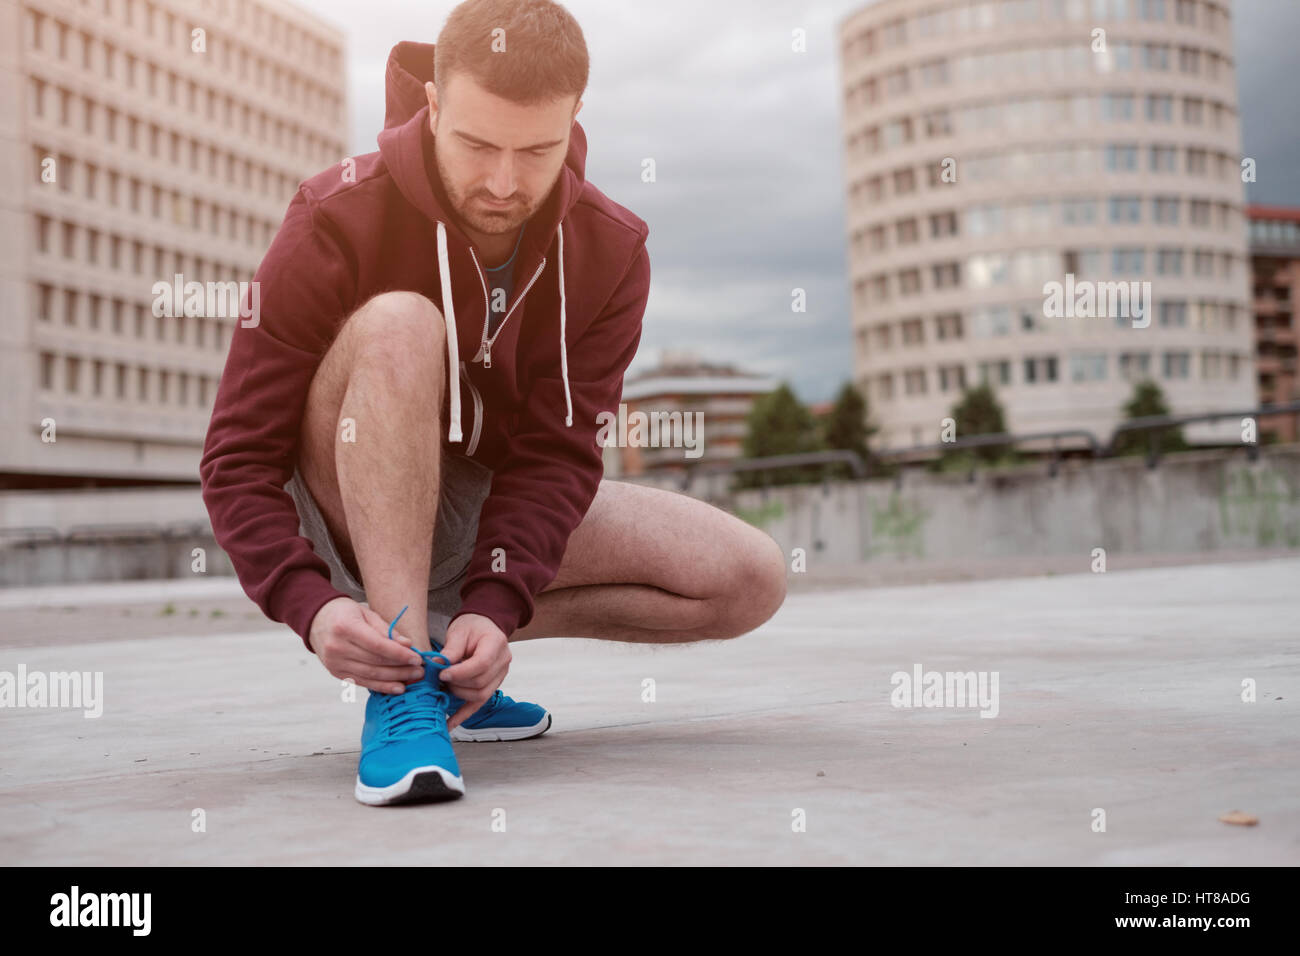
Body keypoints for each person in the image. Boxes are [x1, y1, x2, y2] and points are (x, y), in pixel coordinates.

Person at [199, 0, 787, 807]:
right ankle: (400, 686)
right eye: (477, 144)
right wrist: (309, 606)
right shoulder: (335, 213)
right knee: (402, 323)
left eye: (537, 150)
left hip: (472, 515)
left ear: (575, 118)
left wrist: (495, 605)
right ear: (433, 105)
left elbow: (558, 453)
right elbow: (235, 459)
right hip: (339, 500)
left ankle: (445, 657)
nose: (504, 183)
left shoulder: (611, 251)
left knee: (747, 577)